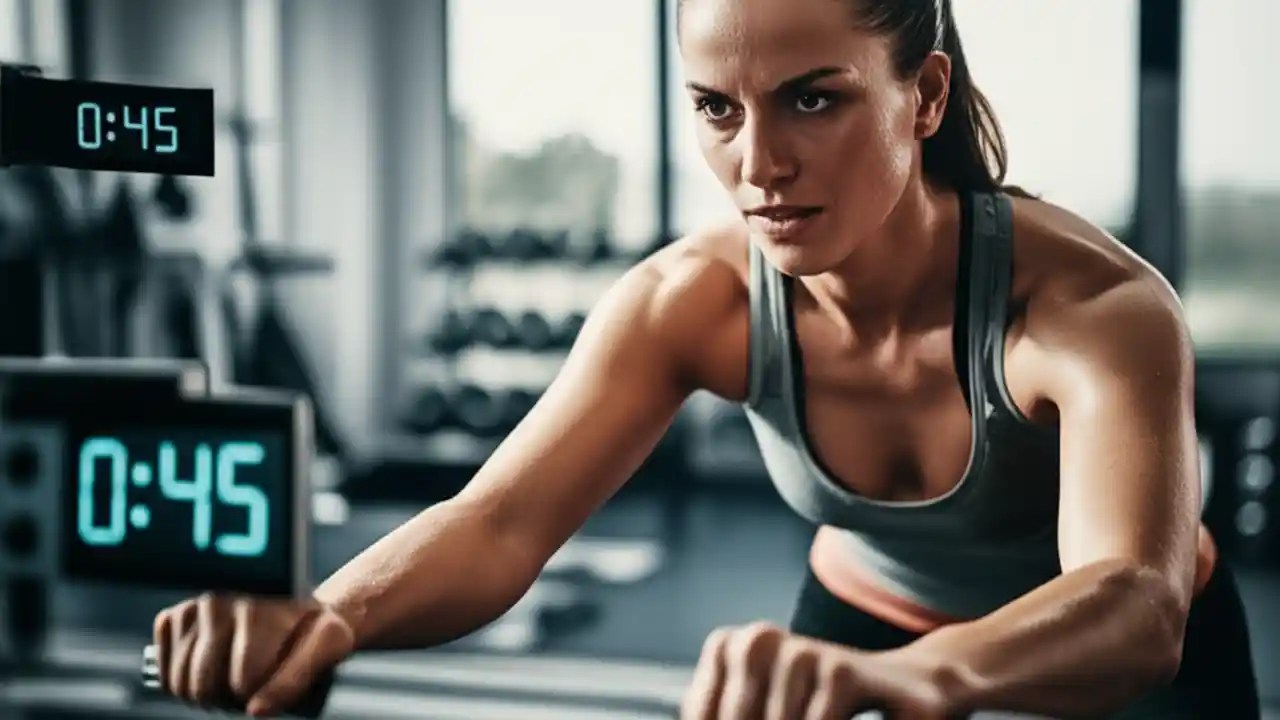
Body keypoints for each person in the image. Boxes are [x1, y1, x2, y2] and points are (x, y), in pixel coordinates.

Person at [151, 0, 1261, 717]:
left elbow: (1131, 599)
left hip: (1110, 672)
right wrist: (330, 614)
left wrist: (921, 679)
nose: (757, 164)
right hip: (862, 619)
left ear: (920, 97)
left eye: (811, 100)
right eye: (714, 109)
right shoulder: (692, 298)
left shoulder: (1090, 307)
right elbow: (497, 522)